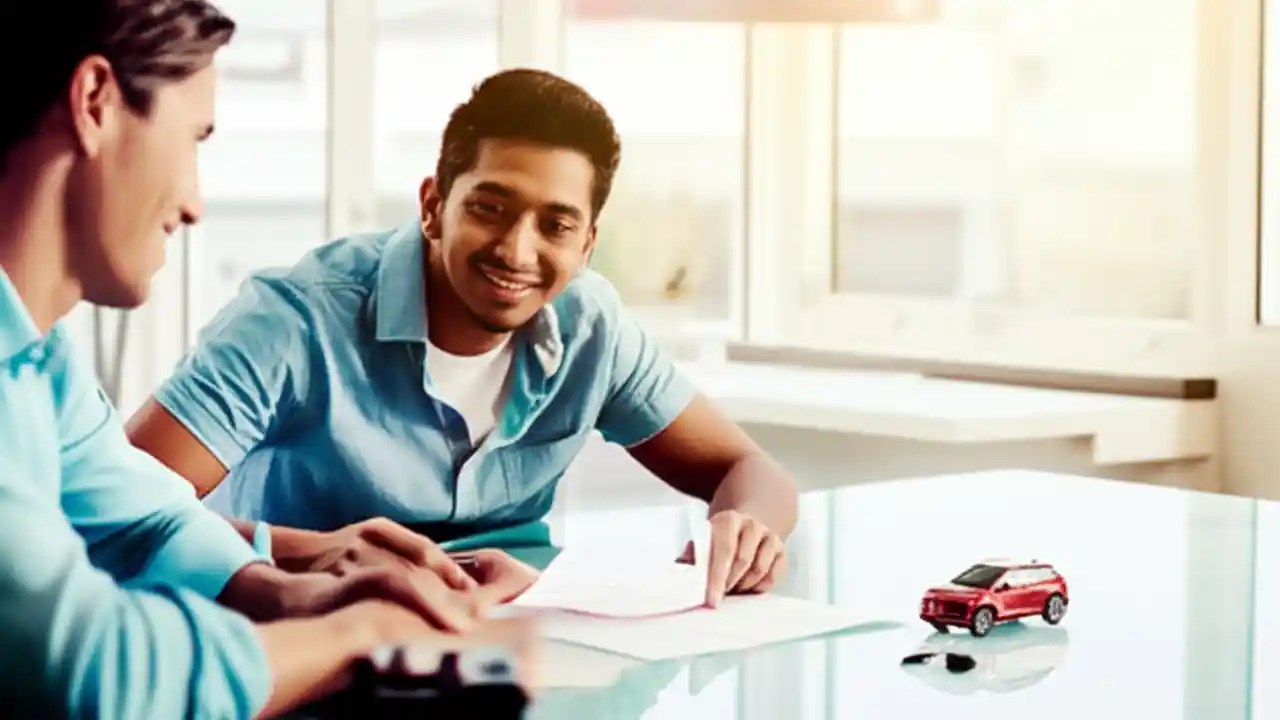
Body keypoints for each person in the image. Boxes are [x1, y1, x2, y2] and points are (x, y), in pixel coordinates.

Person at [0, 2, 532, 718]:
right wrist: (363, 637)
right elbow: (96, 675)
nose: (194, 204)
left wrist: (286, 592)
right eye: (194, 140)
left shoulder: (38, 362)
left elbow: (141, 523)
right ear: (95, 102)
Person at [126, 67, 800, 607]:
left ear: (587, 243)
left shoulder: (592, 326)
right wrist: (311, 552)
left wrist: (746, 529)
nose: (516, 250)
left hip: (519, 644)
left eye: (556, 226)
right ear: (433, 206)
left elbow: (750, 472)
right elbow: (114, 506)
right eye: (490, 208)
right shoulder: (297, 319)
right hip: (306, 634)